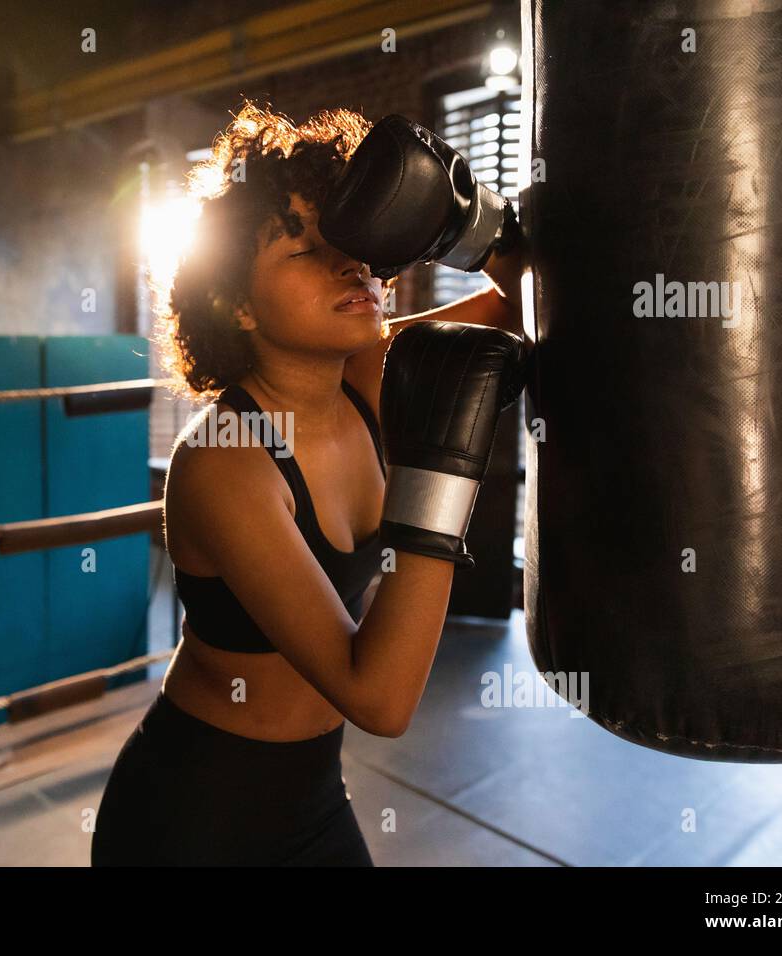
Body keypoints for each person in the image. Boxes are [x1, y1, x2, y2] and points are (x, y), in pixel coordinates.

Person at [91, 102, 527, 866]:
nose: (350, 265)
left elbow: (531, 301)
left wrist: (466, 219)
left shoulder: (368, 374)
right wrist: (439, 475)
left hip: (315, 795)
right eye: (305, 250)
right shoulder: (225, 461)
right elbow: (380, 698)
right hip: (193, 818)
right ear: (238, 306)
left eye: (350, 241)